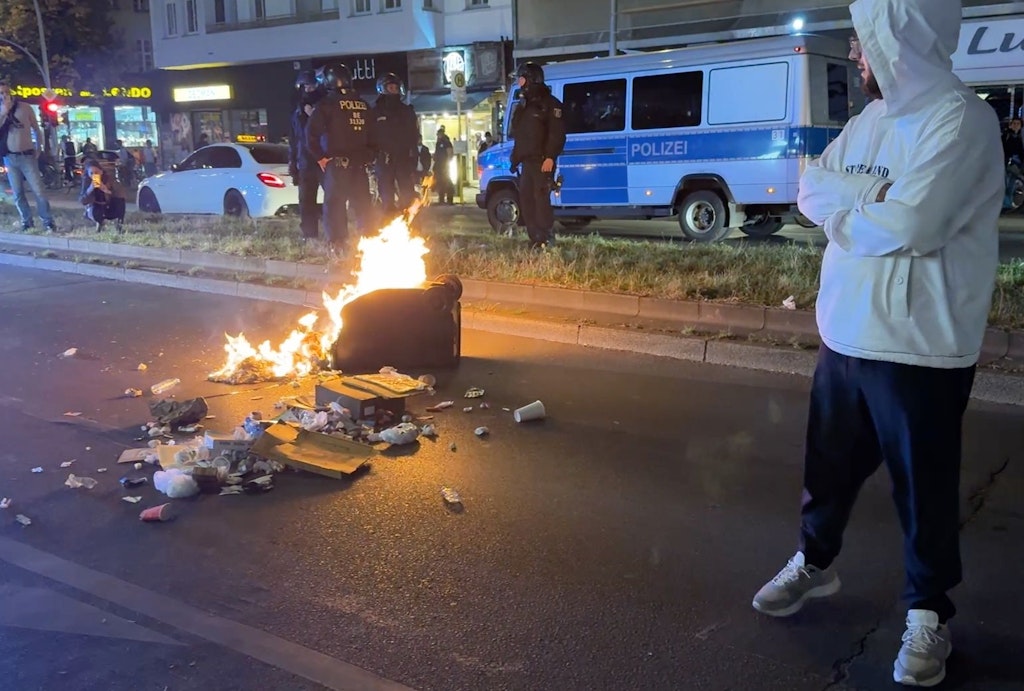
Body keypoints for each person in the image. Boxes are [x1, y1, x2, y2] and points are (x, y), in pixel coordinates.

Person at [751, 0, 1004, 687]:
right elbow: (811, 186)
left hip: (920, 347)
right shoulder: (867, 122)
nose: (857, 55)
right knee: (827, 468)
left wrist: (846, 211)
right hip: (845, 335)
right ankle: (815, 560)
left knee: (923, 492)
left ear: (902, 41)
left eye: (865, 42)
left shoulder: (962, 122)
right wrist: (869, 207)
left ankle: (927, 614)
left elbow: (918, 222)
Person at [306, 62, 377, 258]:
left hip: (337, 168)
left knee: (335, 206)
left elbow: (310, 134)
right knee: (364, 206)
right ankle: (369, 245)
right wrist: (369, 157)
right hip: (359, 167)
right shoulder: (363, 105)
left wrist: (320, 157)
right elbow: (375, 137)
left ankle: (338, 246)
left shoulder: (326, 105)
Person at [509, 62, 566, 249]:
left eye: (522, 78)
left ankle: (546, 239)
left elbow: (556, 133)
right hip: (526, 163)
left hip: (542, 162)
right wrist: (515, 159)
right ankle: (535, 239)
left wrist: (550, 157)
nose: (519, 82)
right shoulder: (524, 106)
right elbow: (521, 136)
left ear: (531, 79)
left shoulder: (550, 104)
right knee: (527, 201)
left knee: (541, 201)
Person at [0, 82, 56, 231]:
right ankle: (27, 221)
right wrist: (4, 112)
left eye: (6, 92)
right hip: (10, 158)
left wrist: (39, 147)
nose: (4, 95)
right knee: (17, 193)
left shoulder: (25, 107)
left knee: (39, 190)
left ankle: (47, 221)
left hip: (27, 156)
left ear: (10, 92)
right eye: (1, 93)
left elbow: (36, 129)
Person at [371, 72, 418, 217]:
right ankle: (388, 224)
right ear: (382, 89)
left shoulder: (407, 111)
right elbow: (370, 136)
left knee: (407, 194)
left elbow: (413, 137)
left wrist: (413, 159)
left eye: (395, 87)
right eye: (390, 87)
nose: (393, 90)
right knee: (386, 196)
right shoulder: (375, 112)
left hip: (403, 159)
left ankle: (410, 226)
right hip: (383, 160)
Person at [289, 69, 325, 242]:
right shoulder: (297, 111)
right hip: (305, 162)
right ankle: (310, 236)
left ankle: (336, 236)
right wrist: (292, 163)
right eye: (306, 86)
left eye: (312, 85)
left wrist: (314, 115)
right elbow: (294, 139)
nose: (309, 89)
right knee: (306, 202)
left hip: (324, 160)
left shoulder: (325, 105)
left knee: (333, 199)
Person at [79, 157, 126, 232]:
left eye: (96, 172)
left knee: (120, 202)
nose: (94, 175)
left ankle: (119, 225)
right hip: (95, 206)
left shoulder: (108, 178)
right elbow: (82, 200)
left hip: (108, 205)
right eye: (91, 173)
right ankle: (99, 223)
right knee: (96, 213)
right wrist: (90, 189)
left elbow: (120, 193)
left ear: (101, 171)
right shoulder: (87, 181)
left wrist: (107, 190)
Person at [432, 125, 454, 205]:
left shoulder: (446, 142)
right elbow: (437, 153)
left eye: (439, 134)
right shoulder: (438, 142)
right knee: (440, 182)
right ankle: (441, 199)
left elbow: (450, 153)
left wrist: (447, 164)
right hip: (438, 165)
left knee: (447, 182)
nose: (438, 136)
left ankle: (449, 199)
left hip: (444, 165)